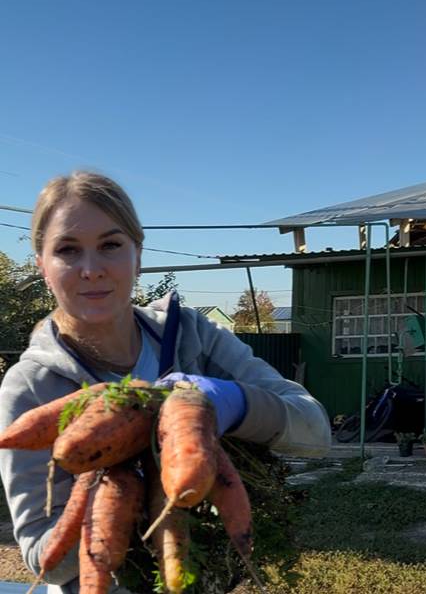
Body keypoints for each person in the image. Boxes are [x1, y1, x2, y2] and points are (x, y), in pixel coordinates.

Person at [0, 171, 332, 591]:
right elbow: (41, 559)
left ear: (137, 254)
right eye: (68, 250)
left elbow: (315, 430)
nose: (91, 269)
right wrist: (112, 492)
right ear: (43, 267)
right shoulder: (31, 386)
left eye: (110, 245)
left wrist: (233, 404)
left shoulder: (194, 336)